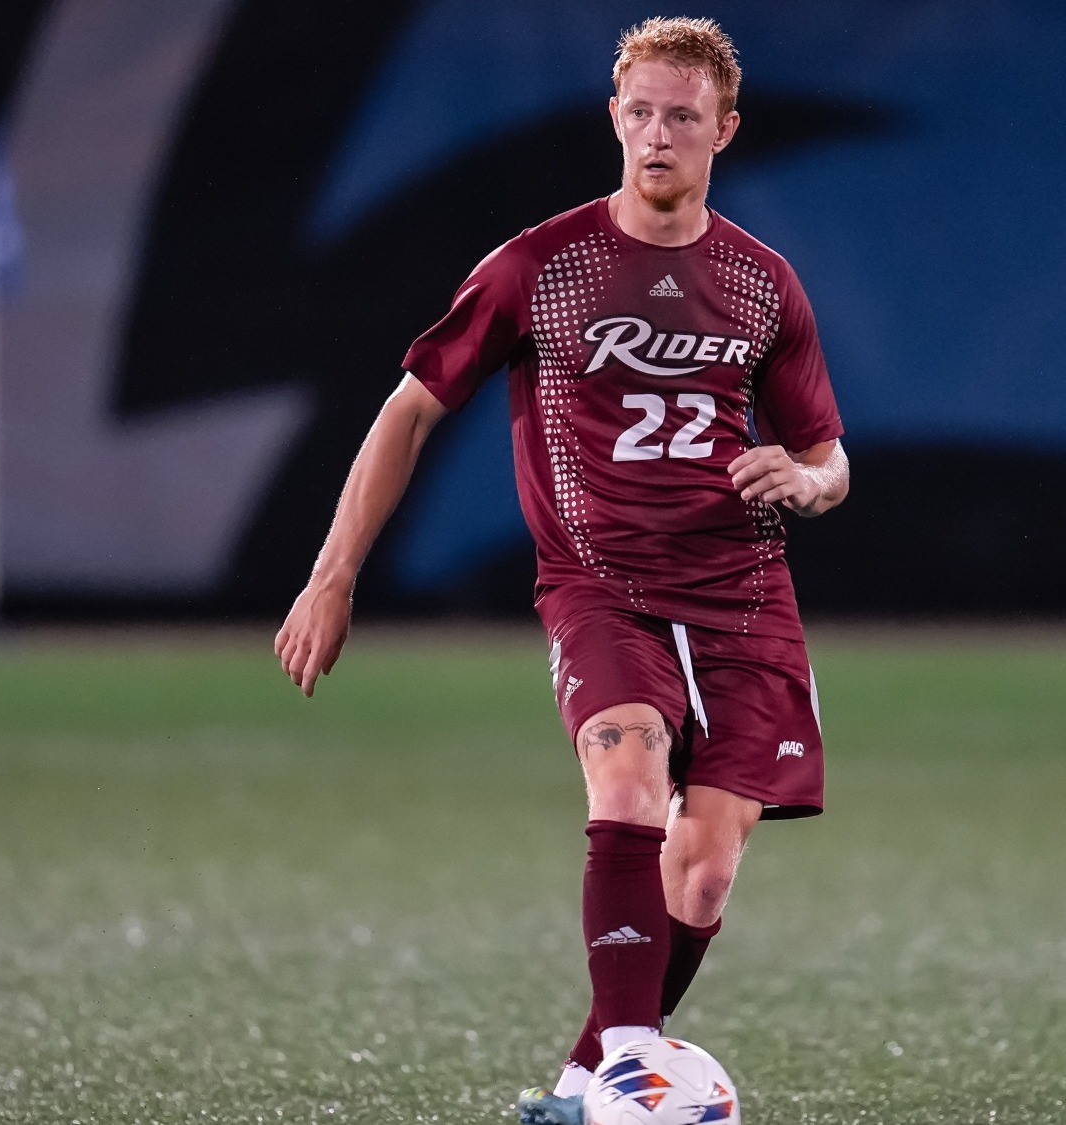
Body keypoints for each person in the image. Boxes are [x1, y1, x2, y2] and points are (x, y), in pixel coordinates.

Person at [273, 16, 849, 1123]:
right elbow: (408, 412)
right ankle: (634, 1066)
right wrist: (331, 575)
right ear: (612, 119)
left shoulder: (763, 283)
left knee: (707, 871)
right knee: (627, 770)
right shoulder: (539, 267)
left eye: (682, 114)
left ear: (723, 128)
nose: (656, 132)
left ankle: (589, 1082)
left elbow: (827, 458)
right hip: (602, 587)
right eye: (637, 110)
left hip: (740, 593)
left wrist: (805, 480)